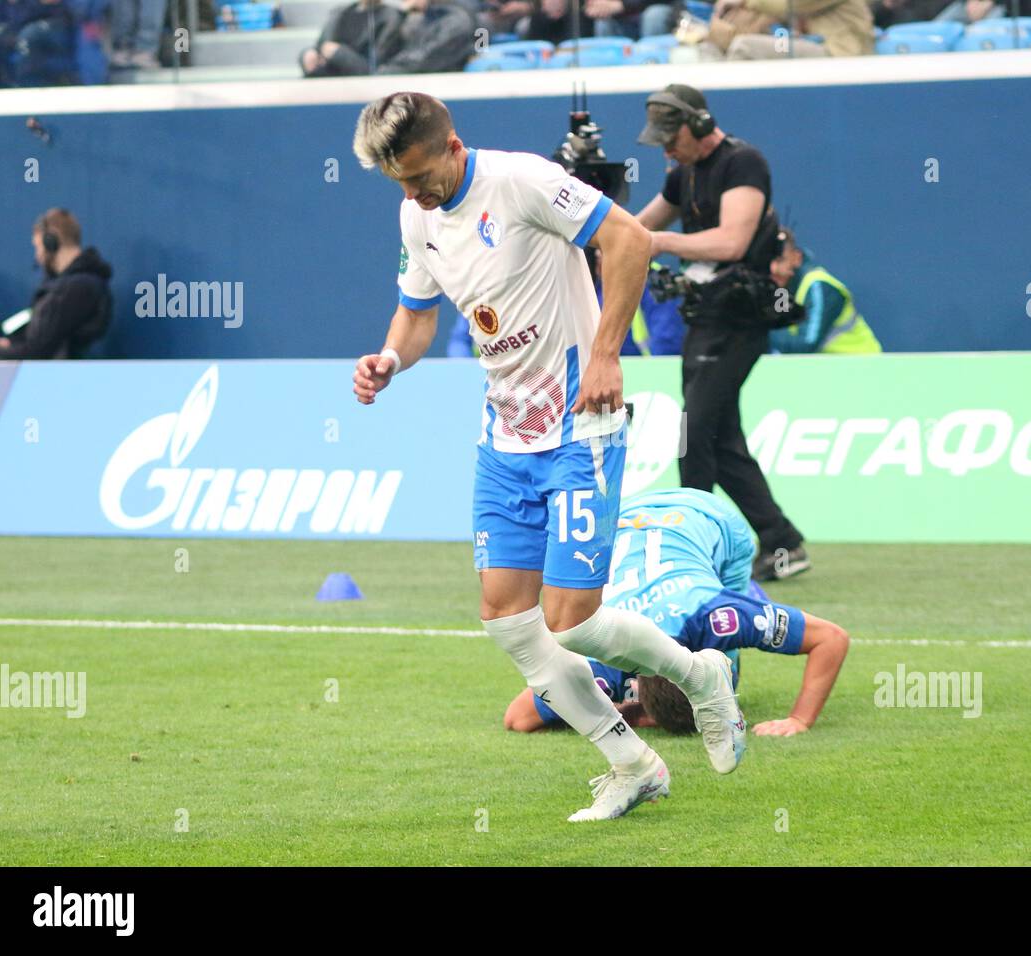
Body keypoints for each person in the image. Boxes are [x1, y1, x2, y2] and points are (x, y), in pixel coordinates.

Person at [349, 92, 746, 822]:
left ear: (451, 146)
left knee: (572, 619)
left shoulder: (522, 180)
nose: (411, 193)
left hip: (578, 424)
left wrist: (605, 356)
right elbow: (415, 312)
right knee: (507, 618)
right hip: (504, 439)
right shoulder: (417, 214)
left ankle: (702, 675)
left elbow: (627, 238)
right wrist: (388, 359)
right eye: (398, 182)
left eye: (417, 175)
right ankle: (632, 763)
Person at [634, 84, 808, 582]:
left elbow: (732, 241)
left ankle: (693, 548)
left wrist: (658, 242)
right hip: (706, 318)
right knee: (720, 437)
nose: (665, 149)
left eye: (671, 138)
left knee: (695, 436)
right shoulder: (683, 172)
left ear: (701, 125)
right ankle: (781, 542)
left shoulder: (742, 163)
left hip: (738, 319)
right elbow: (636, 226)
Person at [503, 488, 850, 735]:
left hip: (712, 520)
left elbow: (832, 640)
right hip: (633, 514)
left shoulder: (717, 616)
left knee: (740, 619)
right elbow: (517, 717)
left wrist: (799, 721)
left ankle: (743, 631)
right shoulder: (606, 666)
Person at [0, 209, 112, 361]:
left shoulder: (78, 288)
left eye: (38, 247)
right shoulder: (64, 287)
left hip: (58, 380)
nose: (37, 256)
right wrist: (2, 343)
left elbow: (38, 351)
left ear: (51, 242)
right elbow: (35, 338)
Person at [768, 226, 882, 355]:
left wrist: (760, 327)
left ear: (796, 258)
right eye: (768, 261)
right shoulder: (781, 291)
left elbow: (805, 345)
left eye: (780, 260)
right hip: (824, 369)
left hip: (862, 365)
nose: (773, 268)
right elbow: (780, 333)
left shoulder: (819, 287)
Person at [711, 0, 875, 57]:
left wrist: (744, 1)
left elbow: (788, 6)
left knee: (744, 47)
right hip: (812, 44)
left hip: (840, 53)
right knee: (776, 44)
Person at [299, 0, 402, 78]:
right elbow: (321, 45)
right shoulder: (339, 13)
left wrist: (338, 53)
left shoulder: (391, 17)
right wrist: (309, 55)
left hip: (359, 82)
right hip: (326, 77)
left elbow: (374, 67)